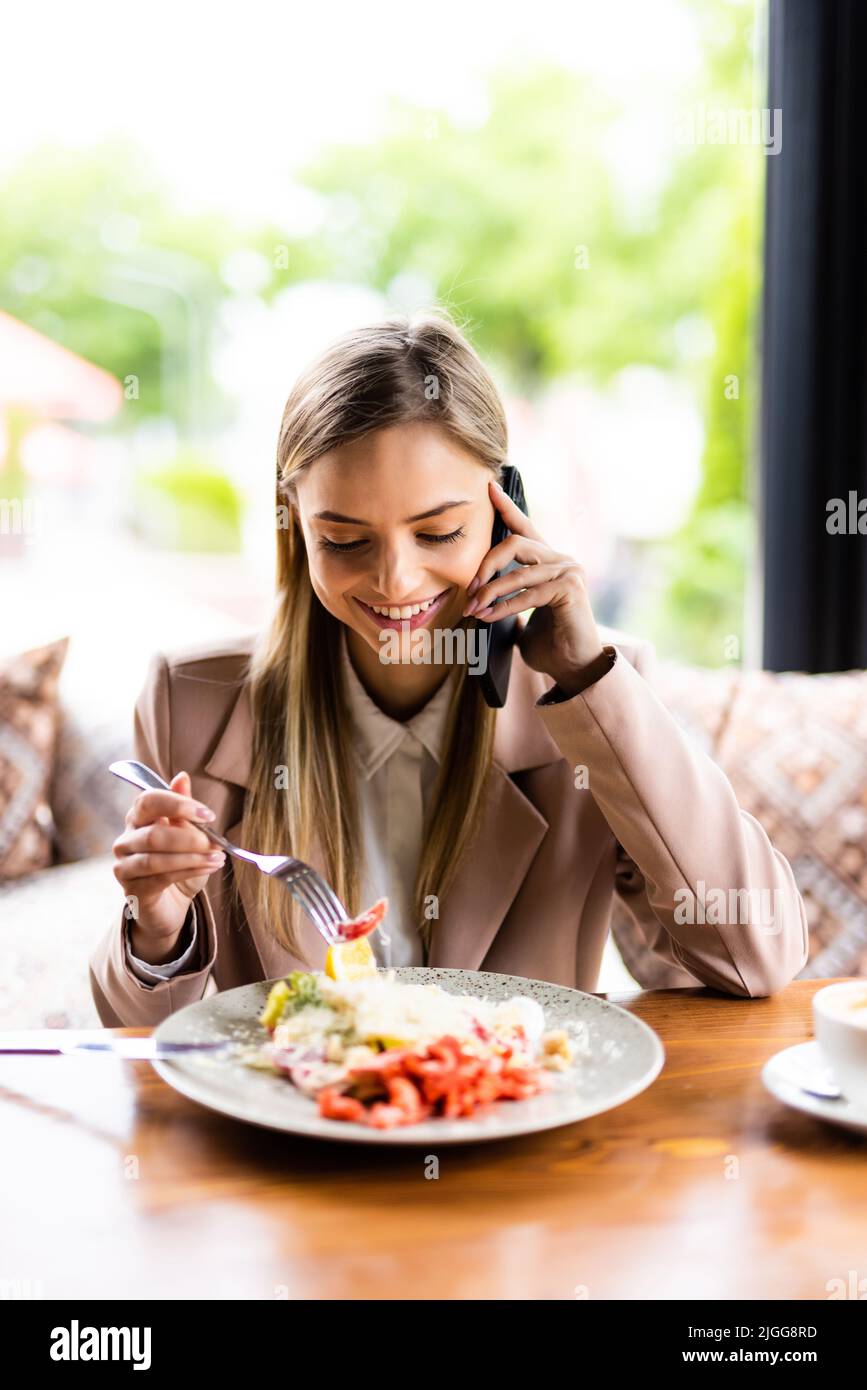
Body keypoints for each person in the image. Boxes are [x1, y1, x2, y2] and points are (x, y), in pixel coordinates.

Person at [90, 310, 809, 1027]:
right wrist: (157, 928)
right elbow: (139, 1036)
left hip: (513, 1124)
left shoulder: (593, 700)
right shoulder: (190, 699)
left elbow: (755, 960)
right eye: (342, 540)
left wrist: (587, 677)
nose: (395, 581)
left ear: (505, 512)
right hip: (293, 1127)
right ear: (294, 523)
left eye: (438, 531)